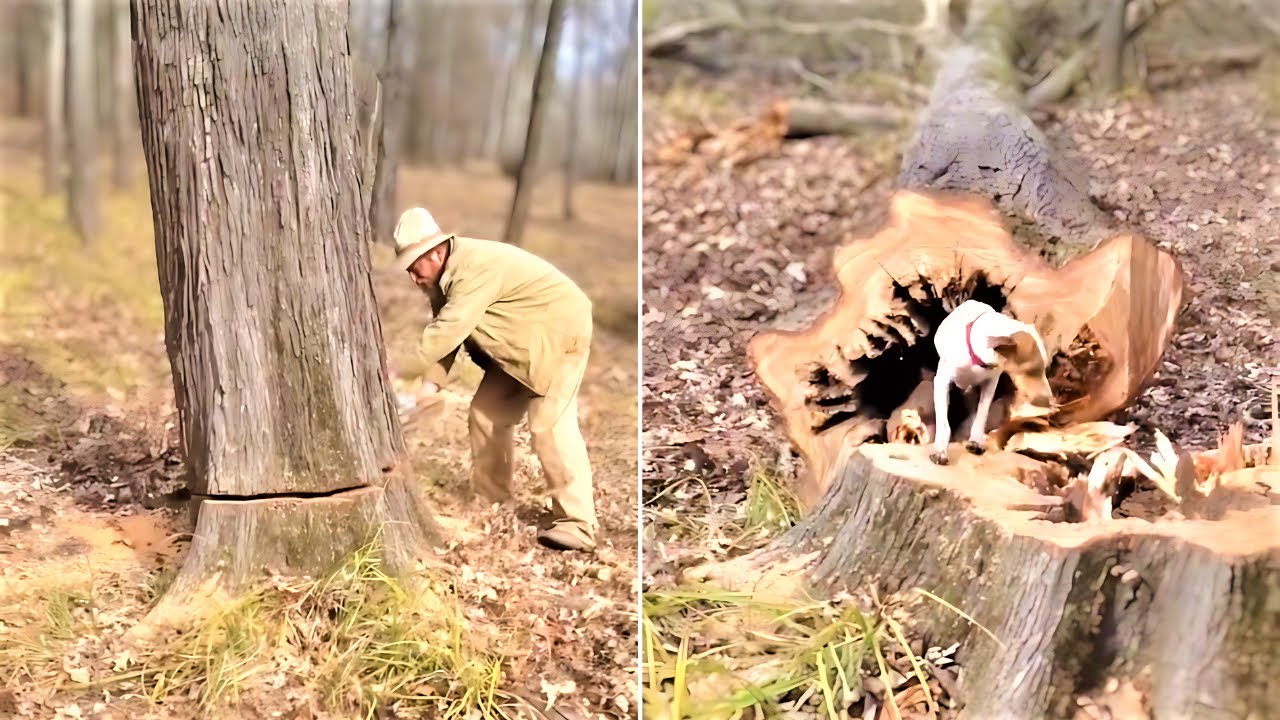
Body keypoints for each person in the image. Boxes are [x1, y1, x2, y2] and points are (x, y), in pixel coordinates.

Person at [393, 207, 598, 552]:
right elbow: (446, 339)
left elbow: (449, 329)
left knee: (549, 426)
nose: (413, 277)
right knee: (485, 415)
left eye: (415, 267)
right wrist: (429, 388)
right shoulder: (442, 281)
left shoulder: (475, 268)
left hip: (558, 334)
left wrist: (398, 368)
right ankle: (494, 501)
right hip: (517, 347)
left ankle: (578, 524)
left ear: (436, 253)